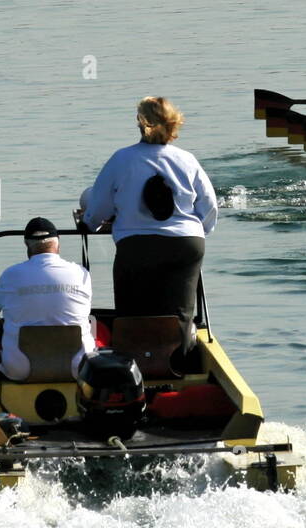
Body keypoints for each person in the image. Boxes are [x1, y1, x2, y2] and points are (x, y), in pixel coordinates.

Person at [76, 96, 217, 347]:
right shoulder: (188, 159)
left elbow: (97, 207)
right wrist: (198, 232)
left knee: (133, 316)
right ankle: (180, 364)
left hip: (137, 247)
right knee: (181, 316)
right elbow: (209, 208)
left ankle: (136, 365)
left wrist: (90, 224)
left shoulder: (122, 159)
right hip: (187, 245)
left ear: (140, 124)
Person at [0, 218, 95, 381]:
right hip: (78, 368)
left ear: (27, 245)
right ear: (58, 244)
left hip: (20, 370)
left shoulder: (11, 275)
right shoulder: (81, 274)